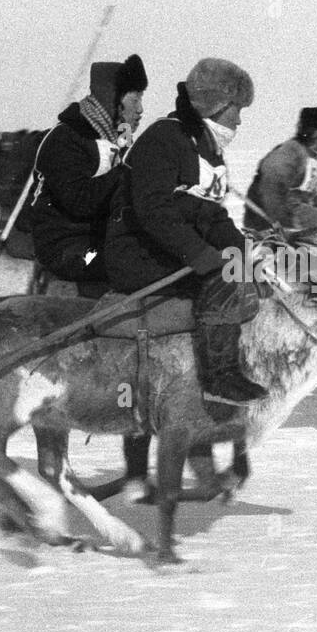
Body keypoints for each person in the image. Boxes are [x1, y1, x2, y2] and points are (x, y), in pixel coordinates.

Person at [104, 57, 268, 417]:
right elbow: (153, 211)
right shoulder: (165, 138)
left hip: (169, 248)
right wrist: (201, 255)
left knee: (250, 275)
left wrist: (242, 249)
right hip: (136, 251)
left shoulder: (205, 146)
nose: (239, 120)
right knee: (226, 280)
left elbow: (209, 213)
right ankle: (219, 376)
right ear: (217, 105)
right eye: (236, 110)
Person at [30, 55, 147, 282]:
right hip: (68, 246)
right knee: (128, 266)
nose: (141, 109)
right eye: (135, 100)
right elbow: (79, 201)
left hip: (102, 237)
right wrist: (126, 173)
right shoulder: (67, 138)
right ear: (112, 99)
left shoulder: (117, 138)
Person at [243, 106, 317, 231]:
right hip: (266, 221)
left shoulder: (312, 158)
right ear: (313, 133)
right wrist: (286, 221)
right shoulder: (290, 152)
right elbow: (270, 189)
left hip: (288, 214)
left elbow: (303, 192)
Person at [0, 132, 29, 232]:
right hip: (3, 194)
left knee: (17, 215)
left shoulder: (19, 157)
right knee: (4, 215)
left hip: (16, 194)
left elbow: (23, 174)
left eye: (9, 142)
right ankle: (0, 234)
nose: (6, 145)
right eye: (5, 142)